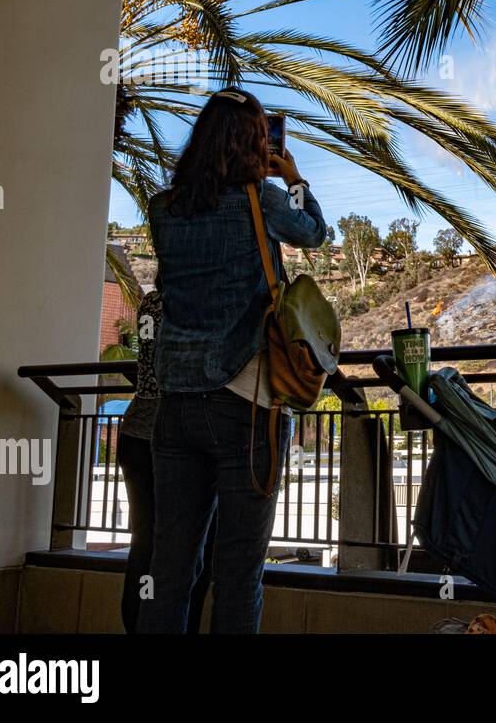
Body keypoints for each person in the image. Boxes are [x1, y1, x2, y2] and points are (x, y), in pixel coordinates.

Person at [137, 88, 327, 633]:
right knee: (238, 573)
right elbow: (313, 232)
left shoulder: (163, 208)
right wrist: (293, 178)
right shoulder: (261, 198)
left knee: (170, 568)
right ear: (257, 143)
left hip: (175, 404)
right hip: (245, 402)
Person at [117, 287, 215, 633]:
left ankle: (138, 622)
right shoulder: (194, 303)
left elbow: (148, 360)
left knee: (146, 540)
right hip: (174, 438)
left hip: (136, 432)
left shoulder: (151, 303)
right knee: (198, 546)